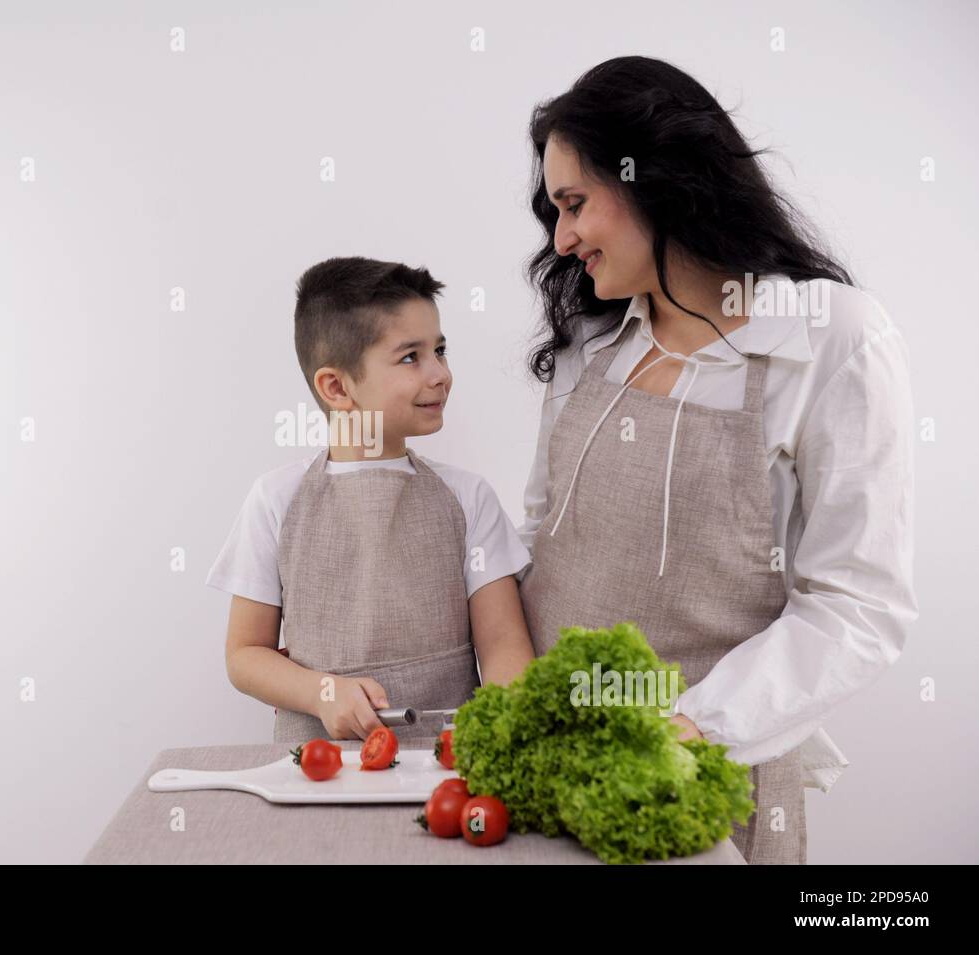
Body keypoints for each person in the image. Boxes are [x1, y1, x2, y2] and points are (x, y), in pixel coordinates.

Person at [516, 56, 917, 864]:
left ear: (653, 177)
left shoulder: (831, 335)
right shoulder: (592, 341)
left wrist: (691, 727)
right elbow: (542, 538)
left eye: (575, 203)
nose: (561, 239)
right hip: (549, 774)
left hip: (697, 786)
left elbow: (858, 607)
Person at [207, 256, 535, 745]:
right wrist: (321, 692)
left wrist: (512, 728)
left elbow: (505, 645)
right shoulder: (276, 500)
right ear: (336, 387)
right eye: (411, 357)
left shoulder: (469, 498)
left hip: (447, 766)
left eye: (440, 351)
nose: (440, 373)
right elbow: (244, 655)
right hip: (319, 765)